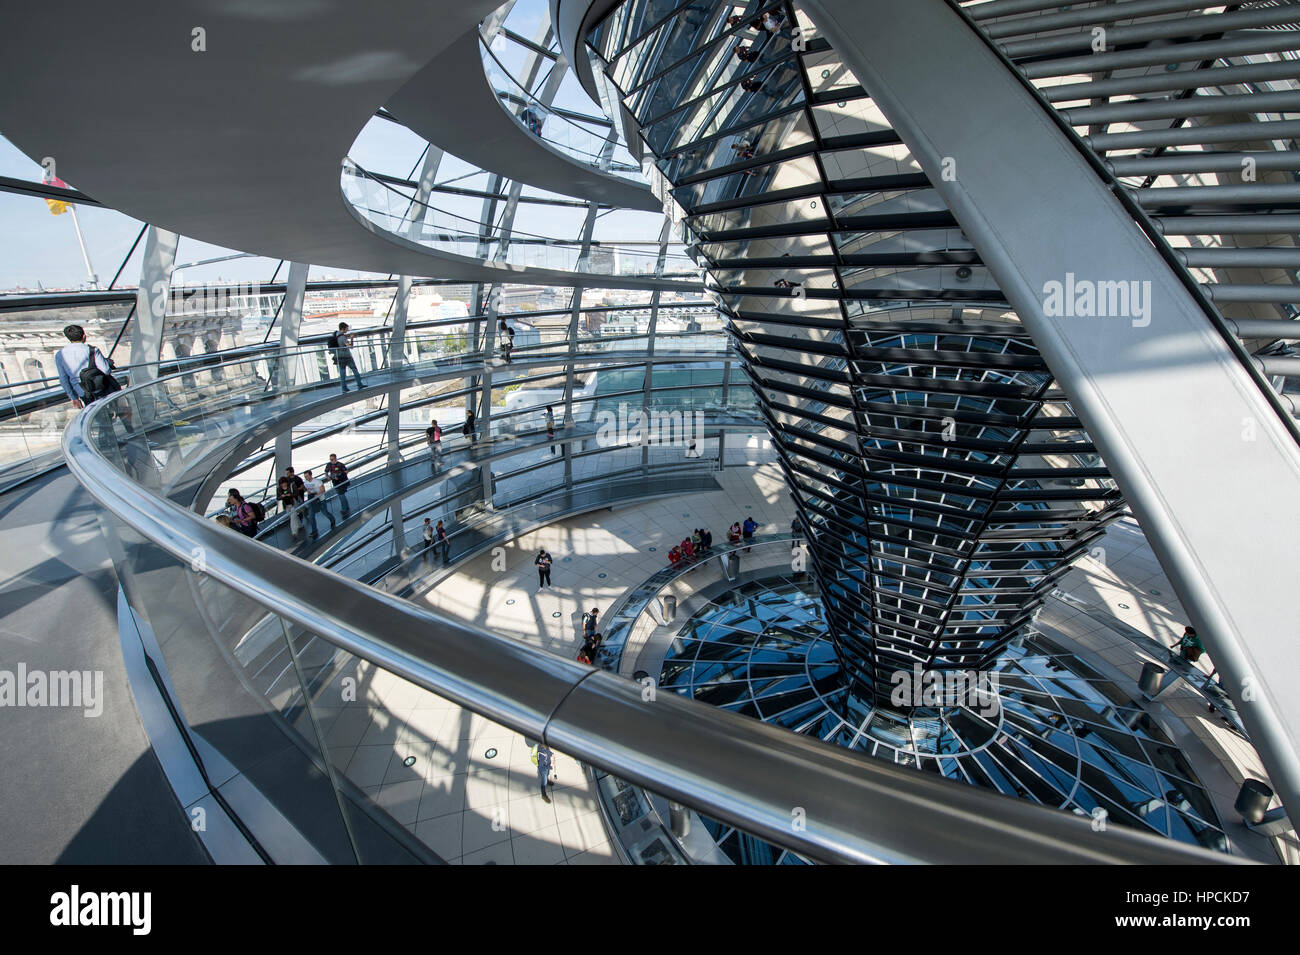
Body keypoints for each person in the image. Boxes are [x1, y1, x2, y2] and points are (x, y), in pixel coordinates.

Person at [55, 324, 116, 409]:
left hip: (83, 391)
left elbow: (63, 378)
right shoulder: (92, 350)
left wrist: (74, 398)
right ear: (84, 336)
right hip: (101, 387)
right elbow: (106, 370)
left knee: (95, 414)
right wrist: (107, 362)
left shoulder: (60, 355)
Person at [302, 469, 336, 541]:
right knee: (311, 516)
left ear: (310, 475)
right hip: (312, 501)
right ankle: (314, 531)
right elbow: (308, 490)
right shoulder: (305, 483)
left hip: (321, 500)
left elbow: (323, 490)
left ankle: (332, 520)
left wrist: (316, 494)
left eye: (307, 476)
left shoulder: (318, 481)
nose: (306, 478)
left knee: (325, 512)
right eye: (305, 476)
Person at [331, 321, 364, 392]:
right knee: (354, 370)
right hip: (346, 356)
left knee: (342, 373)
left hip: (339, 356)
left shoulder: (336, 335)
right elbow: (351, 346)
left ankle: (344, 388)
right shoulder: (342, 337)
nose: (347, 330)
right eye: (346, 328)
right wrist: (352, 338)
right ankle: (359, 384)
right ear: (343, 328)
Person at [324, 453, 351, 519]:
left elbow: (346, 471)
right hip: (335, 482)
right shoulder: (329, 464)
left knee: (341, 495)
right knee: (341, 495)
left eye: (332, 459)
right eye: (330, 459)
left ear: (335, 458)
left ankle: (344, 509)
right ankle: (346, 507)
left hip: (342, 482)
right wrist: (327, 477)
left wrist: (339, 475)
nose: (331, 461)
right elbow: (326, 471)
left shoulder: (340, 464)